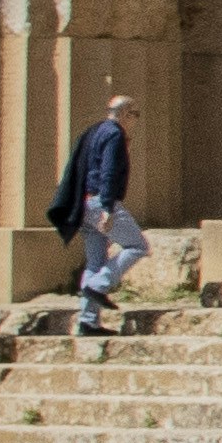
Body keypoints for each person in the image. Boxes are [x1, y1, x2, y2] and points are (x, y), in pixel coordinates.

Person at [50, 94, 145, 330]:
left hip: (82, 204)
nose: (135, 120)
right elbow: (108, 172)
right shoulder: (114, 134)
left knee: (95, 261)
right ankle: (98, 286)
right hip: (98, 202)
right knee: (137, 246)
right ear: (124, 114)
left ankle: (88, 321)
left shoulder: (94, 131)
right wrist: (108, 208)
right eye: (135, 114)